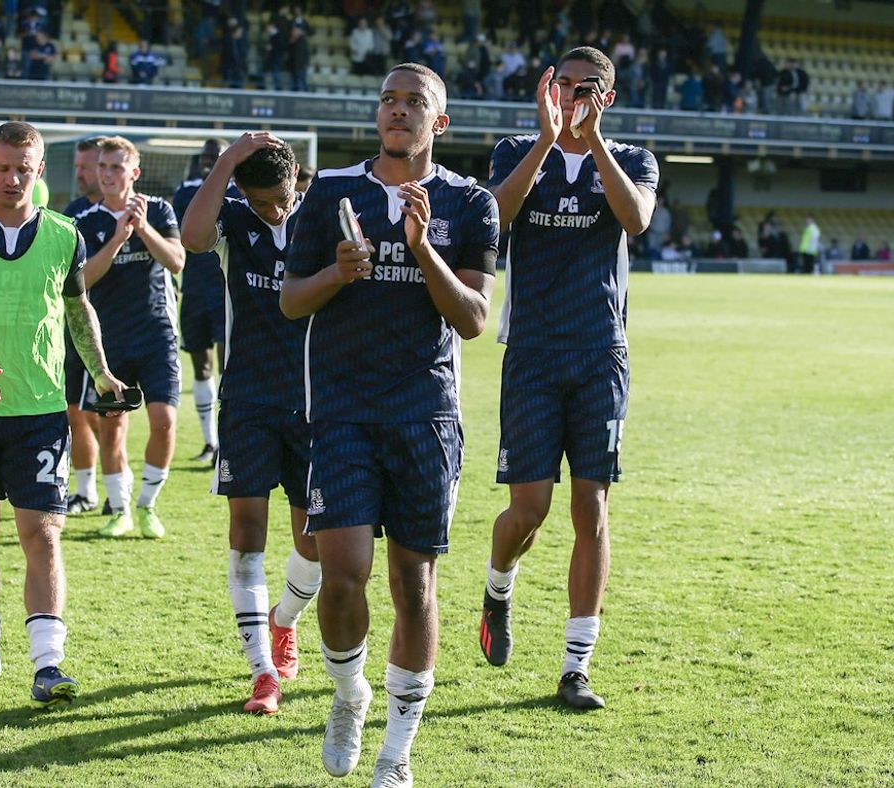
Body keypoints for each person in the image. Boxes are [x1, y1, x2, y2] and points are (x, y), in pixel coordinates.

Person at [280, 62, 498, 787]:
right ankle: (349, 696)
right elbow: (290, 302)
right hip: (341, 410)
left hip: (425, 415)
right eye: (388, 100)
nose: (397, 111)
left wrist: (422, 245)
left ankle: (398, 751)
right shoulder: (332, 193)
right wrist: (337, 274)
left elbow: (472, 320)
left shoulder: (470, 203)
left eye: (415, 103)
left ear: (440, 123)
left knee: (415, 585)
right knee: (344, 578)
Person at [0, 121, 124, 704]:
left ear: (40, 170)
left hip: (38, 409)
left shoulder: (65, 234)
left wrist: (103, 371)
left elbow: (79, 311)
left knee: (42, 533)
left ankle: (48, 664)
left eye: (24, 168)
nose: (13, 178)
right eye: (4, 168)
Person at [480, 47, 658, 712]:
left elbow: (635, 219)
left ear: (607, 96)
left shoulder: (634, 160)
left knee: (592, 510)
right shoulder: (514, 150)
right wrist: (549, 143)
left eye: (588, 88)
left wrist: (594, 144)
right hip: (531, 352)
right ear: (546, 89)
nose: (574, 95)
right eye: (564, 85)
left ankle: (576, 668)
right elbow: (494, 215)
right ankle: (499, 587)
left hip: (600, 354)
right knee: (530, 509)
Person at [179, 132, 323, 716]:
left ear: (296, 182)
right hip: (249, 400)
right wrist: (227, 162)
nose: (274, 210)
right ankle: (263, 670)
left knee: (315, 539)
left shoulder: (322, 219)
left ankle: (283, 620)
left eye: (281, 198)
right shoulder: (235, 220)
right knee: (246, 535)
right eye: (261, 201)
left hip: (316, 402)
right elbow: (191, 238)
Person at [73, 137, 184, 537]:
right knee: (113, 427)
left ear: (134, 173)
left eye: (116, 167)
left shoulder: (160, 209)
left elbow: (177, 260)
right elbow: (82, 280)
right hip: (109, 341)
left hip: (157, 335)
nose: (106, 174)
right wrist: (119, 238)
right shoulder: (87, 221)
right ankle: (119, 509)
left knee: (165, 421)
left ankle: (147, 505)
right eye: (102, 166)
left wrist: (144, 228)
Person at [173, 139, 238, 468]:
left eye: (216, 156)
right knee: (201, 367)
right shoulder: (186, 192)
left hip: (229, 292)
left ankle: (228, 442)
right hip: (195, 292)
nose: (208, 161)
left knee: (230, 366)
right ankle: (210, 442)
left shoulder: (239, 192)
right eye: (206, 156)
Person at [60, 137, 107, 513]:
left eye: (86, 166)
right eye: (77, 166)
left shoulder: (131, 213)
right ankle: (86, 491)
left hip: (122, 330)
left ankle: (120, 498)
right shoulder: (72, 215)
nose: (80, 173)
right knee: (75, 412)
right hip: (76, 329)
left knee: (106, 417)